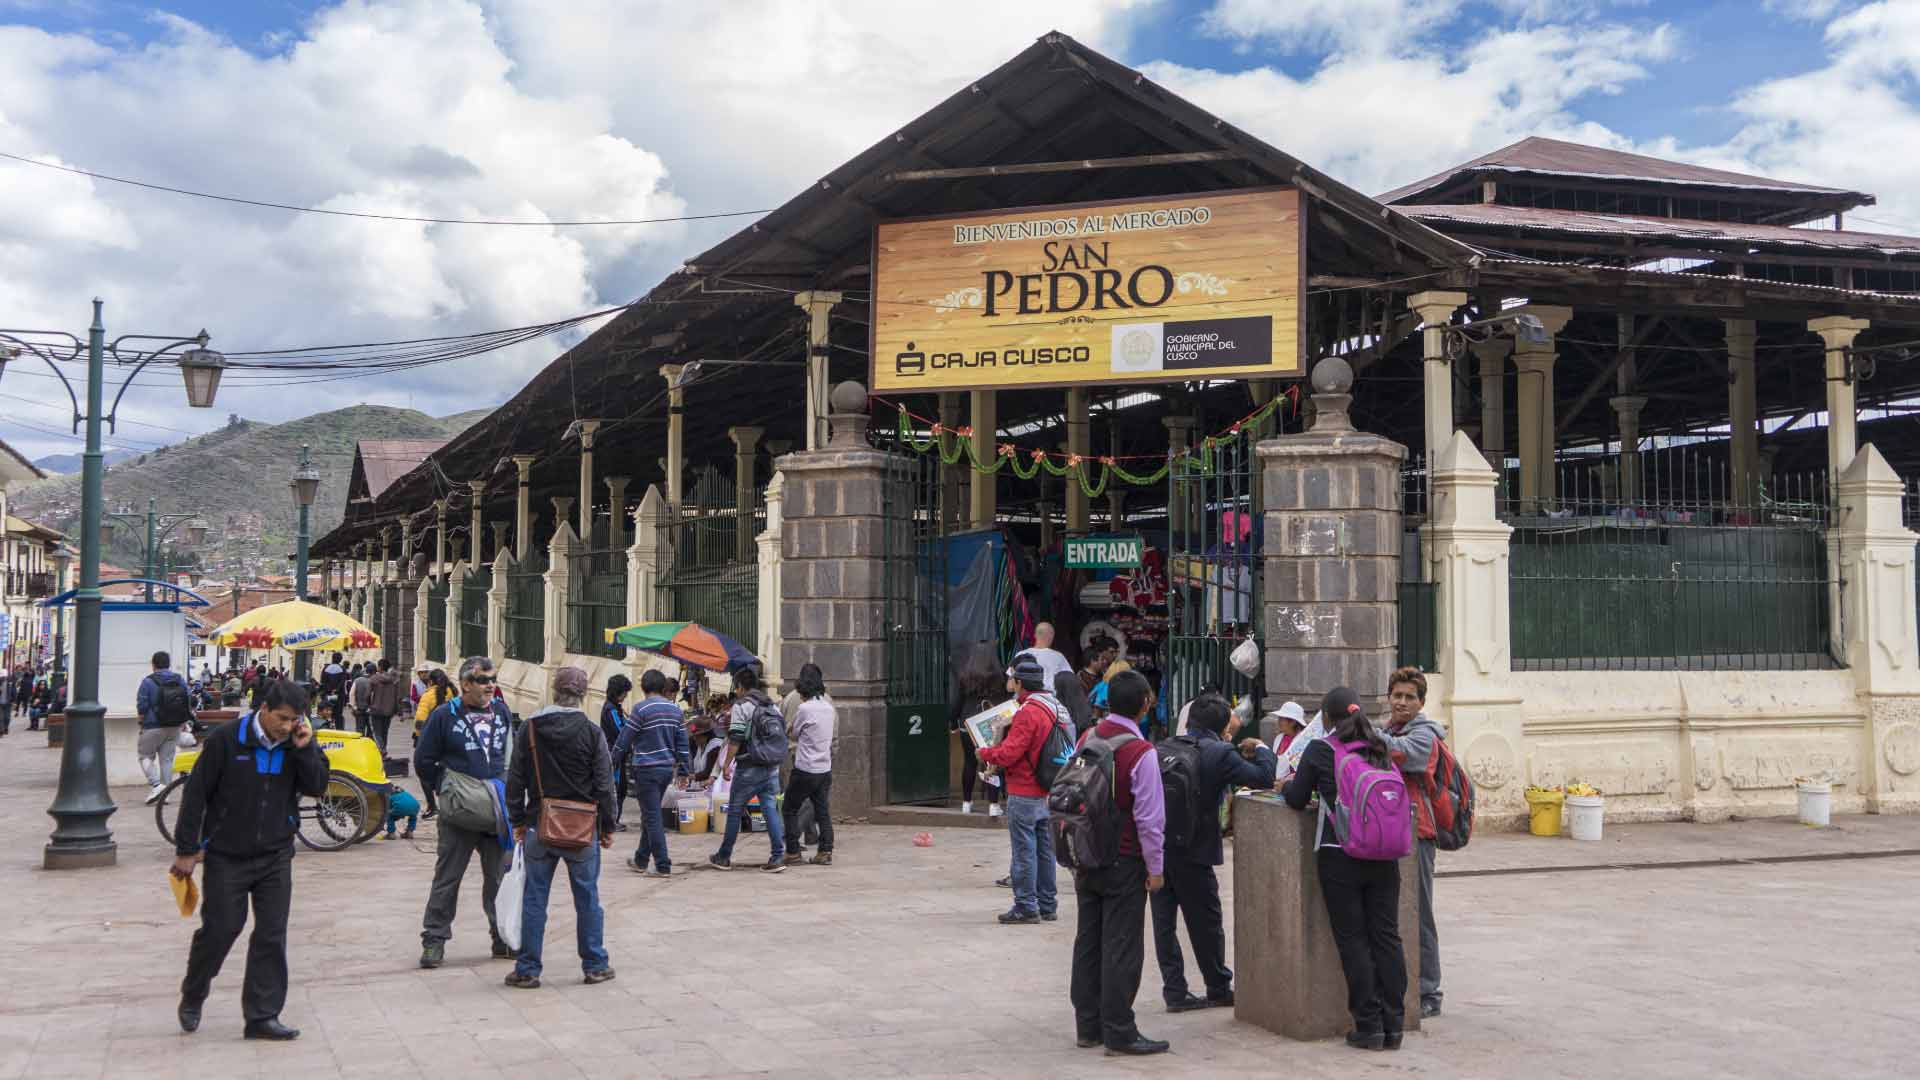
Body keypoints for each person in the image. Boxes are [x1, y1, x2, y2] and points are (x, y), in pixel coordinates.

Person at [171, 677, 327, 1041]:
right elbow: (196, 794)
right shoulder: (227, 740)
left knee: (271, 935)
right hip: (227, 854)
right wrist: (186, 849)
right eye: (283, 719)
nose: (288, 727)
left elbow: (317, 787)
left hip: (276, 854)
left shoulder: (297, 742)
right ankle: (194, 993)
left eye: (295, 720)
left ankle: (262, 1015)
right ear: (264, 710)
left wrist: (305, 749)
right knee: (222, 929)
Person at [1281, 686, 1408, 1051]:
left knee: (1353, 939)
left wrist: (1288, 785)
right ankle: (1394, 1025)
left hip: (1340, 854)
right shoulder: (1380, 748)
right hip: (1385, 855)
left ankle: (1368, 1026)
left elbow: (1296, 798)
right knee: (1386, 936)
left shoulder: (1321, 750)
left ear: (1326, 718)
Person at [1154, 693, 1276, 1012]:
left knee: (1163, 922)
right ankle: (1218, 986)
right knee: (1206, 922)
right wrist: (1262, 749)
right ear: (1224, 727)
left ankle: (1174, 989)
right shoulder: (1219, 753)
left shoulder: (1164, 747)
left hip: (1160, 848)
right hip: (1195, 851)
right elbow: (1263, 777)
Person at [1069, 668, 1169, 1056]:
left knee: (1088, 939)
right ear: (1145, 704)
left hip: (1087, 853)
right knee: (1122, 944)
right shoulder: (1141, 752)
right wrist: (1156, 869)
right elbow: (1150, 819)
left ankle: (1088, 1025)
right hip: (1124, 858)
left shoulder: (1088, 737)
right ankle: (1119, 1030)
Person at [503, 665, 617, 989]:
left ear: (553, 691)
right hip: (582, 831)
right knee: (587, 898)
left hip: (541, 824)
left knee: (534, 898)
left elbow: (515, 780)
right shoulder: (592, 732)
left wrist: (517, 821)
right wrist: (607, 826)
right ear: (582, 694)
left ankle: (527, 969)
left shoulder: (530, 728)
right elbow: (604, 786)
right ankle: (595, 964)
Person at [415, 656, 514, 969]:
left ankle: (502, 937)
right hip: (458, 811)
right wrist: (442, 790)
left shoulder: (501, 712)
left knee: (499, 878)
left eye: (492, 679)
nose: (490, 686)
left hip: (495, 809)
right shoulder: (444, 716)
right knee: (448, 877)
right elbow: (423, 759)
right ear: (466, 684)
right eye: (483, 680)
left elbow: (509, 756)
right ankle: (434, 940)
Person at [977, 653, 1068, 924]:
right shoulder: (1053, 707)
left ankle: (1027, 906)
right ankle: (1047, 904)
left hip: (1025, 790)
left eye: (1013, 680)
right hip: (1046, 789)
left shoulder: (1028, 712)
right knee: (1044, 850)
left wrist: (985, 753)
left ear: (1019, 682)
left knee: (1024, 850)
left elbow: (1009, 753)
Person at [1379, 666, 1445, 1020]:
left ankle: (1429, 990)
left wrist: (1366, 736)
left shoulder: (1425, 734)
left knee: (1420, 913)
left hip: (1418, 834)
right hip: (1390, 831)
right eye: (1397, 695)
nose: (1401, 702)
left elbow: (1405, 754)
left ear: (1421, 702)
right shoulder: (1388, 730)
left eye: (1409, 697)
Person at [707, 665, 788, 873]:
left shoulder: (741, 706)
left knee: (734, 810)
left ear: (740, 687)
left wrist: (726, 765)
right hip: (771, 766)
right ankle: (778, 856)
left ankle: (724, 856)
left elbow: (735, 738)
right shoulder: (772, 705)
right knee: (770, 809)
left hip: (749, 766)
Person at [613, 669, 690, 877]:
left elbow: (624, 739)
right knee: (651, 813)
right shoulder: (675, 711)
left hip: (646, 769)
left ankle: (663, 864)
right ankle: (641, 859)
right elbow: (683, 743)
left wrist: (612, 762)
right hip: (666, 769)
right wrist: (685, 770)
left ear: (643, 687)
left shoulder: (641, 709)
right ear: (664, 687)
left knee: (652, 816)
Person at [781, 663, 835, 867]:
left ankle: (793, 851)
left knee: (789, 808)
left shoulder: (804, 708)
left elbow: (794, 733)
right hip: (824, 768)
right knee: (822, 811)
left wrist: (790, 728)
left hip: (805, 768)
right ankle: (825, 851)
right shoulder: (828, 707)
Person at [137, 651, 194, 804]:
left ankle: (156, 785)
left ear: (153, 664)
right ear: (168, 663)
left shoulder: (147, 682)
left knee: (145, 756)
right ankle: (166, 795)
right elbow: (188, 700)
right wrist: (183, 721)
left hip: (152, 725)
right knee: (167, 760)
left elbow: (142, 706)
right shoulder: (179, 679)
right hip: (175, 726)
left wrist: (141, 722)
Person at [600, 674, 633, 829]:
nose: (626, 695)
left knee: (621, 788)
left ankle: (614, 820)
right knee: (617, 788)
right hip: (614, 755)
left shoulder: (615, 708)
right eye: (624, 692)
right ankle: (611, 821)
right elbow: (621, 730)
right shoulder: (611, 709)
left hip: (618, 754)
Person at [366, 659, 404, 756]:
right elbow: (397, 697)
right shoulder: (394, 680)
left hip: (376, 710)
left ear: (380, 667)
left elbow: (367, 694)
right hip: (389, 711)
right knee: (384, 732)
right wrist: (398, 711)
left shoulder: (374, 678)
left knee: (377, 732)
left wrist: (369, 705)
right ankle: (384, 749)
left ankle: (382, 749)